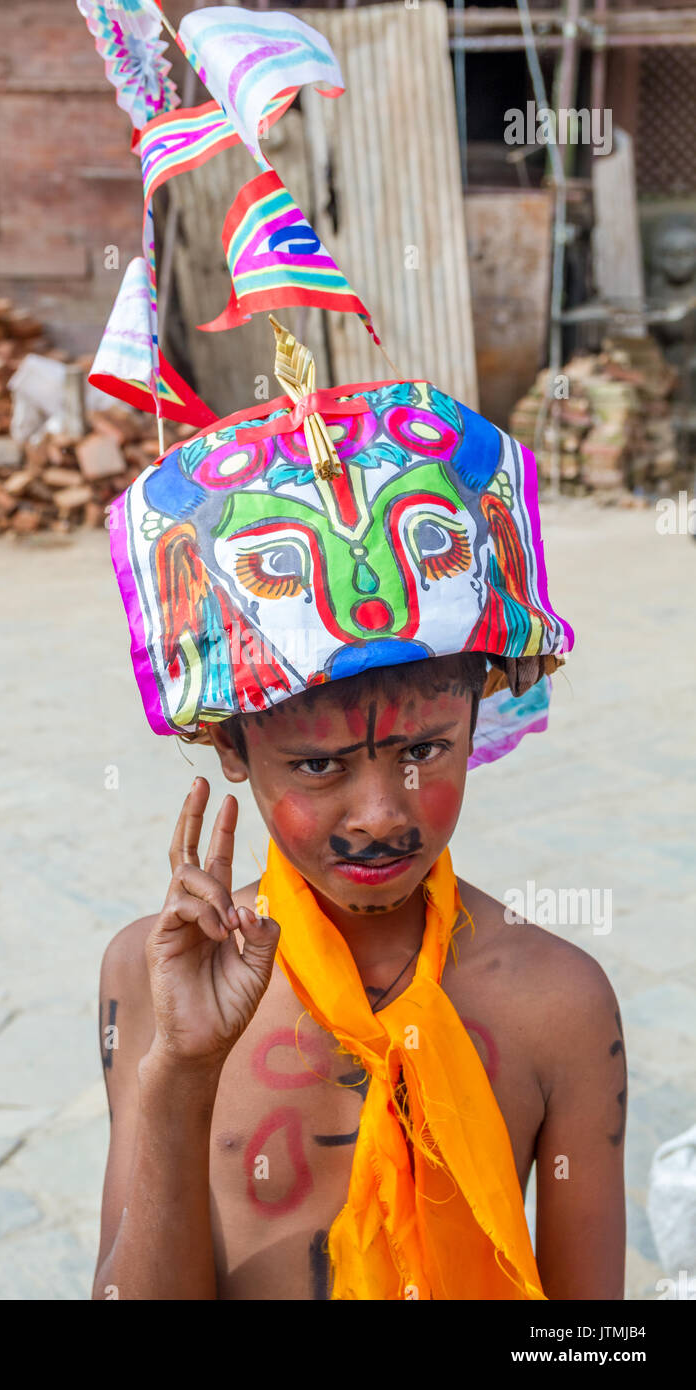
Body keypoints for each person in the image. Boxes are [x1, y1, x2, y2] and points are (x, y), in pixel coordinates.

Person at [93, 319, 626, 1301]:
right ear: (232, 747)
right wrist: (178, 1074)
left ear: (478, 714)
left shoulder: (555, 1002)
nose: (381, 813)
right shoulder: (148, 978)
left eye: (422, 750)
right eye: (318, 764)